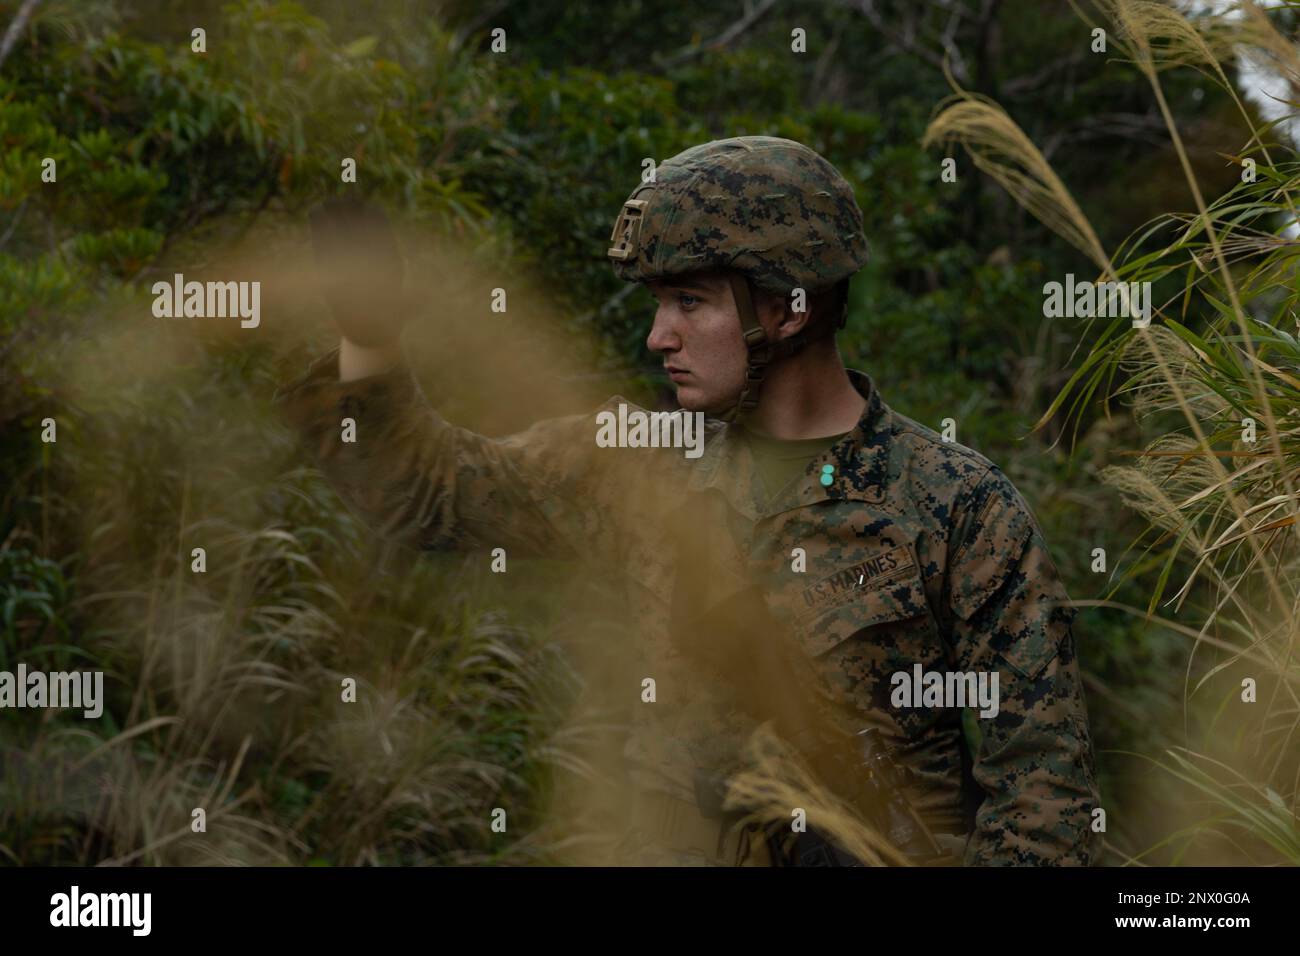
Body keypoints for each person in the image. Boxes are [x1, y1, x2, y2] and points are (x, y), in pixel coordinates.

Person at [275, 135, 1102, 866]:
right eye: (658, 303)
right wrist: (371, 339)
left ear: (787, 308)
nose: (657, 335)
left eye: (689, 302)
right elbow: (428, 497)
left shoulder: (960, 508)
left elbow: (1041, 801)